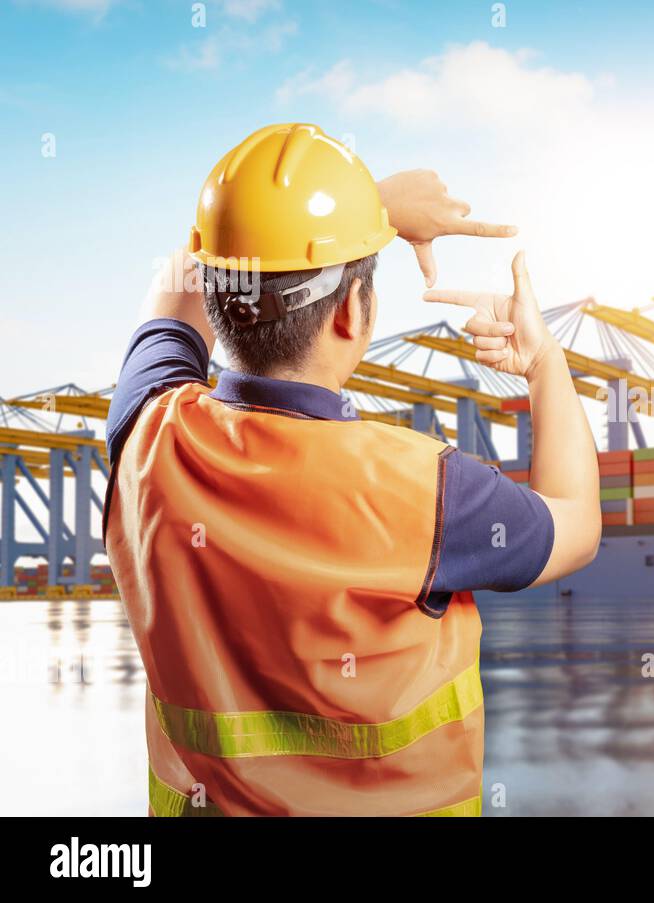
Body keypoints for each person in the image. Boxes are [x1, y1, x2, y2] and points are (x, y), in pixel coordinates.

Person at [103, 123, 600, 816]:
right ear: (351, 315)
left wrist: (360, 207)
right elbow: (575, 521)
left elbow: (181, 275)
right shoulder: (431, 489)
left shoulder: (147, 436)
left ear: (219, 297)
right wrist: (545, 362)